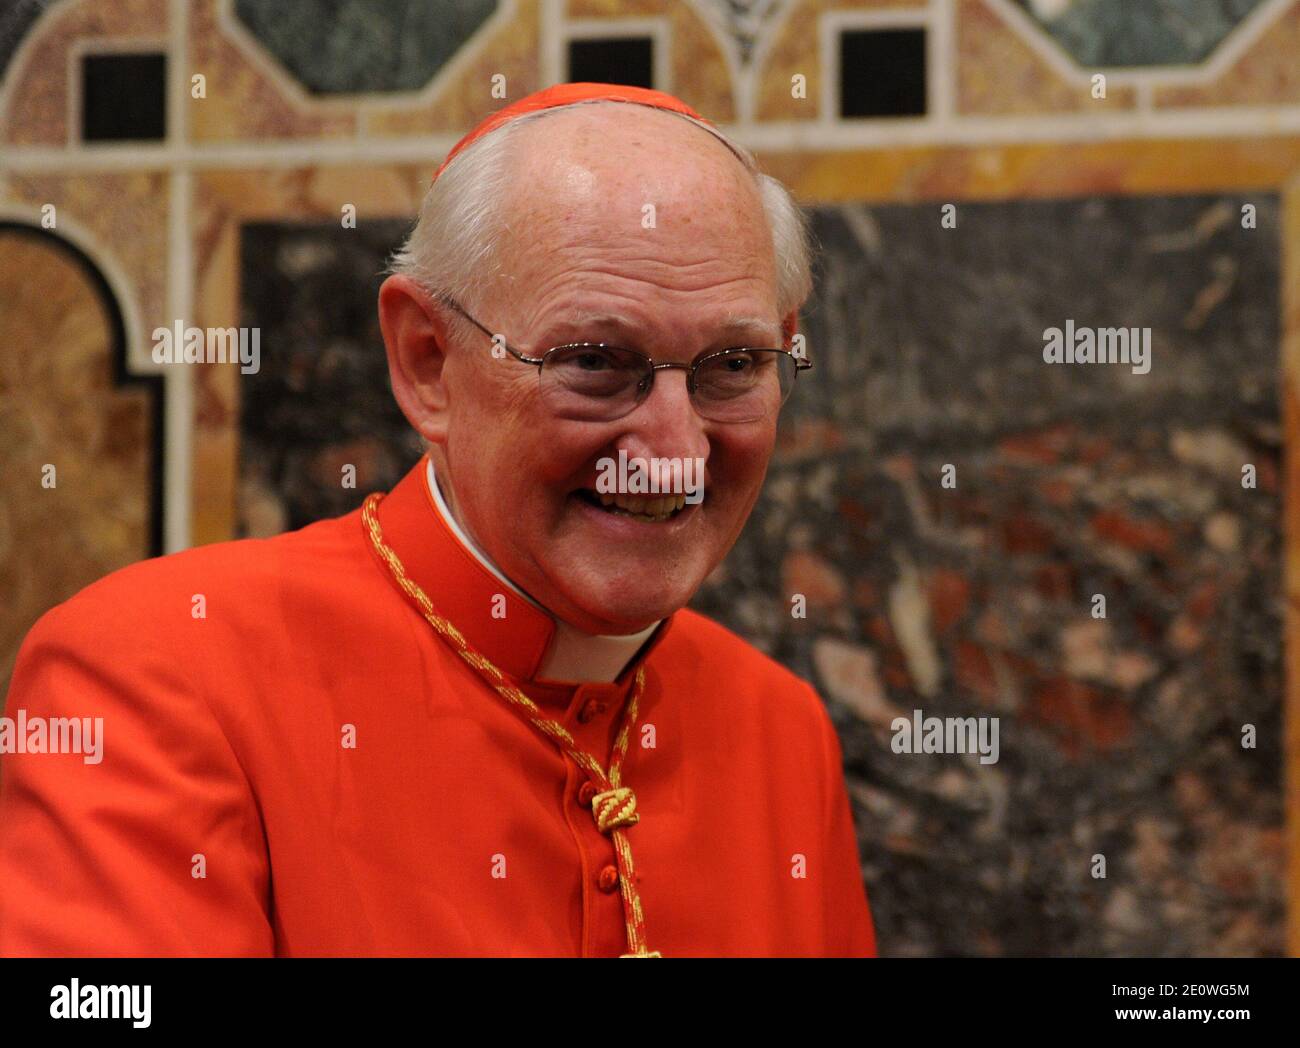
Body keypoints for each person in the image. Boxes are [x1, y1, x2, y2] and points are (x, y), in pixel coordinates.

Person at [0, 82, 877, 957]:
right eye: (595, 362)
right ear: (428, 362)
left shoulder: (783, 733)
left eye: (732, 364)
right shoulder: (157, 678)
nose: (675, 445)